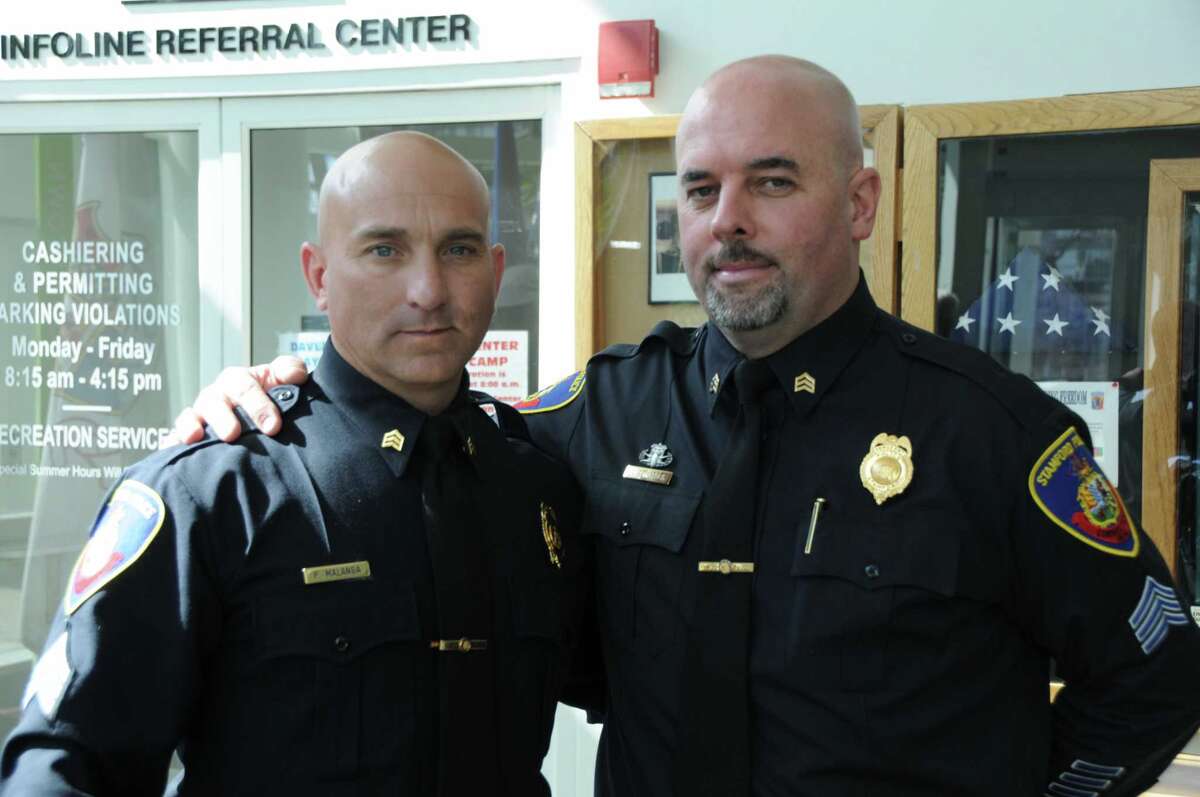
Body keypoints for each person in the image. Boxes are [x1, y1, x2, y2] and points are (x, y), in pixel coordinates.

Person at [171, 57, 1200, 796]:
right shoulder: (588, 416)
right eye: (702, 188)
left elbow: (1158, 667)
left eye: (773, 180)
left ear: (861, 202)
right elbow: (418, 425)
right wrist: (274, 400)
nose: (728, 219)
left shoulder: (994, 431)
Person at [0, 131, 587, 796]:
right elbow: (59, 770)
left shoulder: (536, 487)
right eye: (384, 249)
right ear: (318, 275)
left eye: (458, 249)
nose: (428, 289)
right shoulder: (213, 488)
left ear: (497, 269)